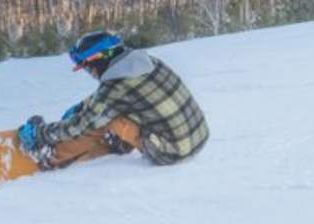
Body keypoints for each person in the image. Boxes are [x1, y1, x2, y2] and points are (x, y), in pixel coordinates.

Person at [16, 30, 209, 170]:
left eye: (86, 66)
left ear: (98, 60)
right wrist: (84, 106)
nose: (89, 72)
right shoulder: (146, 62)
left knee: (108, 120)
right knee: (117, 110)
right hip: (197, 137)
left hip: (171, 152)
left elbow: (82, 124)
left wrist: (42, 134)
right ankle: (120, 142)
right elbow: (115, 97)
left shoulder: (115, 86)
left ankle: (51, 155)